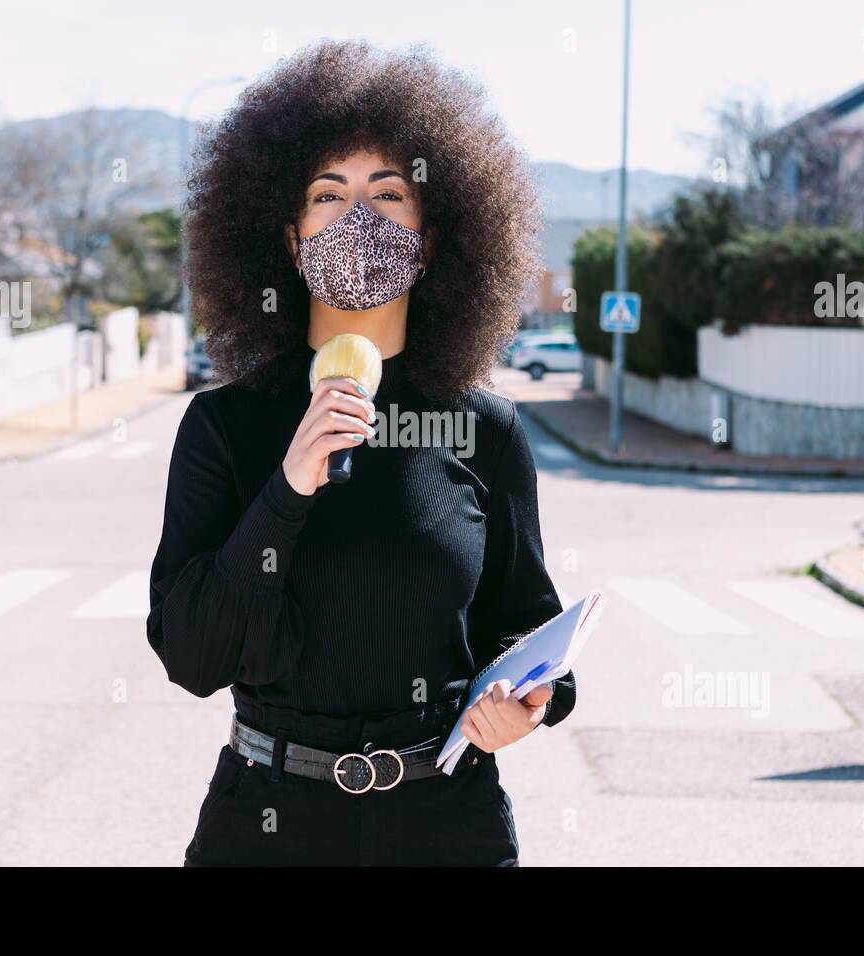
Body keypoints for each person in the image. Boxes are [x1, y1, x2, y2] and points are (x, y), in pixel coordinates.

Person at [147, 38, 577, 866]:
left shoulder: (484, 430)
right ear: (287, 232)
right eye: (328, 194)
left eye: (390, 194)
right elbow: (193, 657)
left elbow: (527, 625)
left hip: (448, 828)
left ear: (431, 234)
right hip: (264, 827)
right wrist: (287, 489)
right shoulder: (225, 427)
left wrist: (533, 701)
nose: (359, 218)